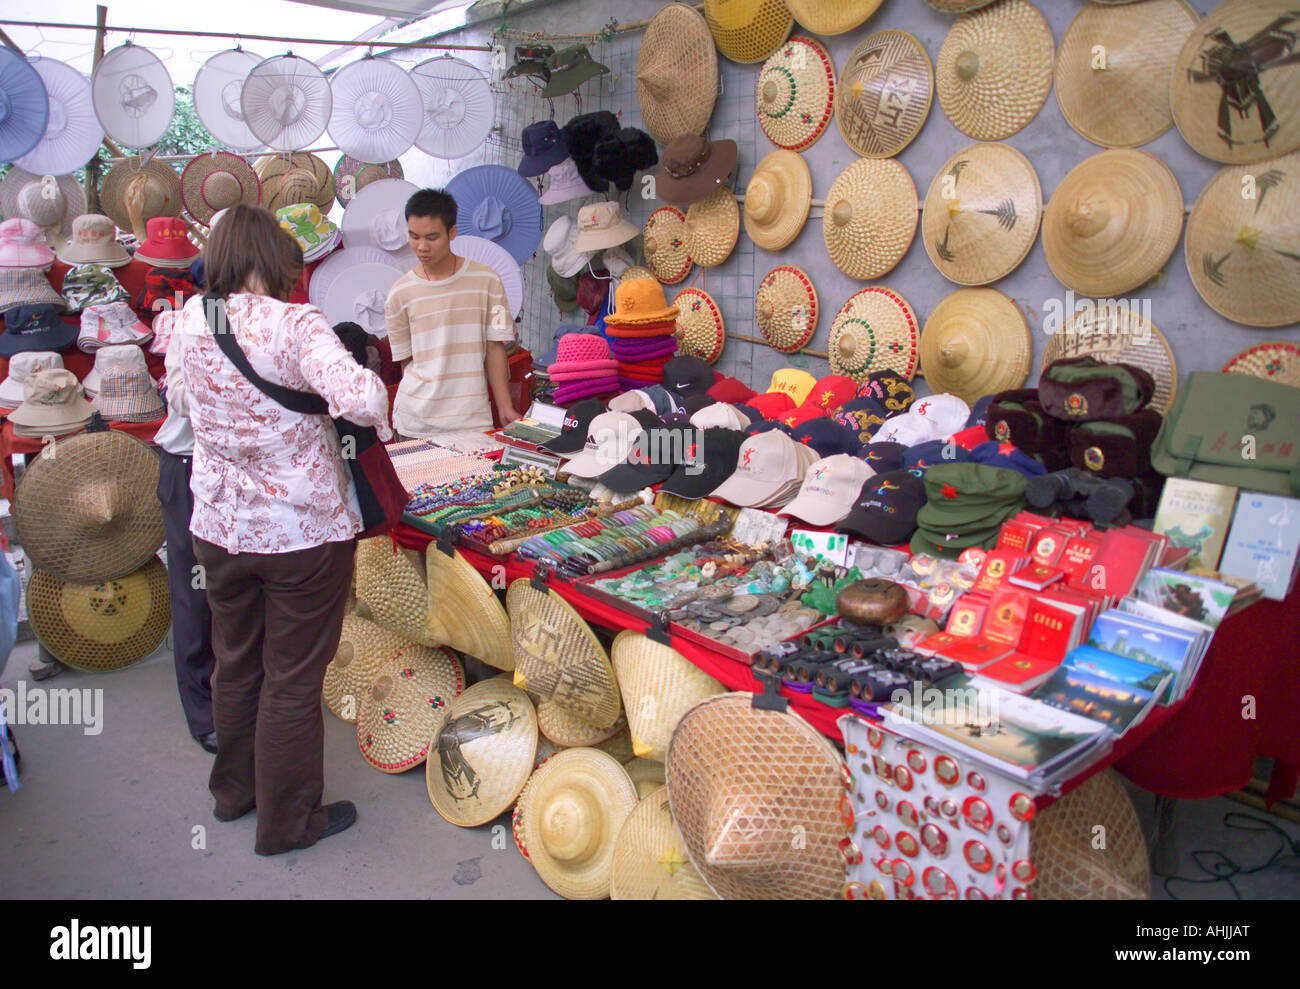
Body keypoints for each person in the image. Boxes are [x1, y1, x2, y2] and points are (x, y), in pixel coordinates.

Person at [175, 204, 392, 856]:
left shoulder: (192, 318)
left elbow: (181, 403)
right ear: (276, 260)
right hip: (302, 531)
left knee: (237, 661)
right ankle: (289, 822)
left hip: (219, 526)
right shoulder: (296, 324)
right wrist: (368, 378)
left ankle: (234, 792)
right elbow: (361, 399)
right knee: (294, 678)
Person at [384, 188, 520, 438]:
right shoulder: (398, 294)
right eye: (414, 236)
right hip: (415, 424)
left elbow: (496, 347)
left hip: (472, 421)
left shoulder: (489, 281)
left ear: (452, 232)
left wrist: (504, 406)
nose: (421, 246)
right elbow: (407, 363)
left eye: (432, 237)